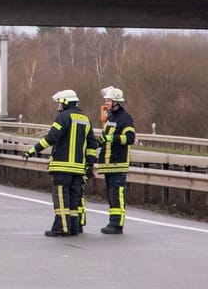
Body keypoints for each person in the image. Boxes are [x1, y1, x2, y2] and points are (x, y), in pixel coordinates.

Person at [24, 90, 100, 237]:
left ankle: (61, 228)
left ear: (65, 102)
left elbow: (51, 138)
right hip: (78, 169)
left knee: (61, 199)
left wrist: (33, 150)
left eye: (59, 103)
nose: (58, 106)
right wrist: (89, 164)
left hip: (62, 167)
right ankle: (74, 228)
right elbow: (92, 145)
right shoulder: (85, 119)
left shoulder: (63, 117)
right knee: (73, 200)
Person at [97, 86, 136, 234]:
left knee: (117, 194)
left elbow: (130, 138)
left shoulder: (125, 118)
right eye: (106, 100)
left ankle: (117, 225)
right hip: (109, 164)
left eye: (108, 100)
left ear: (116, 102)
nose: (106, 103)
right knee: (111, 195)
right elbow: (105, 139)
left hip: (118, 163)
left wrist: (112, 138)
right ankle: (112, 222)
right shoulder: (111, 118)